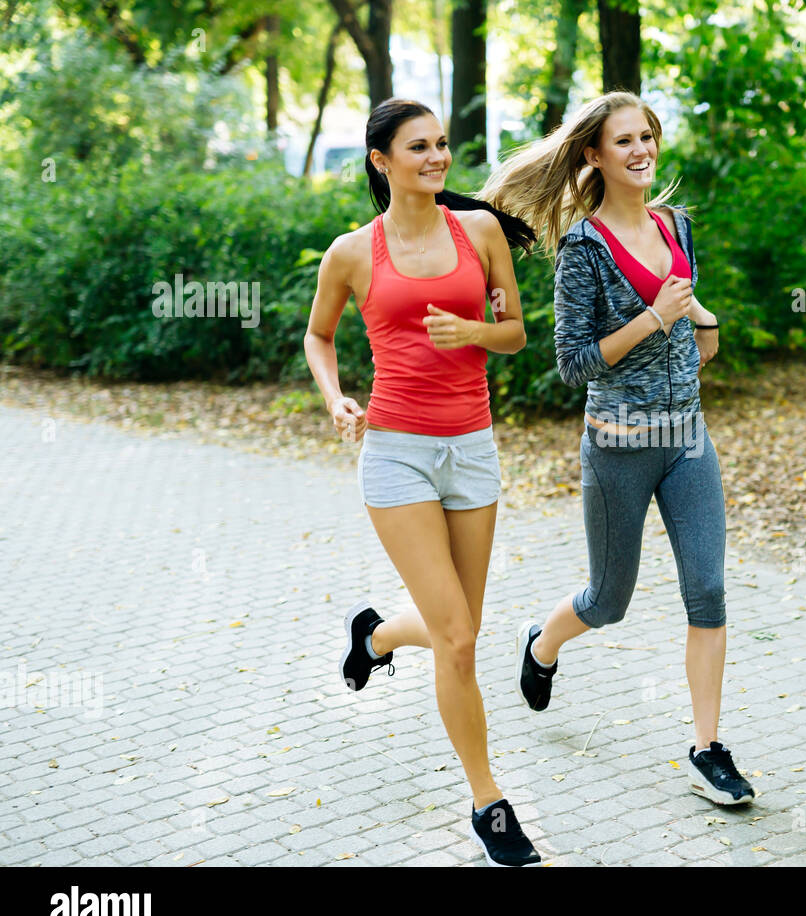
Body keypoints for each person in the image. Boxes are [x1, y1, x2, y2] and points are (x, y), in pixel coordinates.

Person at [480, 91, 755, 806]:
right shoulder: (583, 249)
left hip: (688, 442)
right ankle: (542, 643)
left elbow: (701, 342)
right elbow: (571, 363)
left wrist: (701, 318)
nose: (640, 151)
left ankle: (708, 748)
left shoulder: (677, 226)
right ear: (595, 156)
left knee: (710, 591)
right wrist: (653, 318)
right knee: (609, 600)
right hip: (619, 449)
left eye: (647, 137)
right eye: (624, 142)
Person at [302, 97, 544, 866]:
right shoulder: (350, 252)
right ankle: (488, 801)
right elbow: (318, 334)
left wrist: (472, 330)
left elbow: (514, 333)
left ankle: (372, 635)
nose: (438, 158)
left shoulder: (479, 232)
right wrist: (336, 395)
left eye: (442, 145)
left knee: (456, 629)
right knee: (462, 639)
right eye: (419, 148)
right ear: (382, 161)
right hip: (398, 453)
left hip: (472, 450)